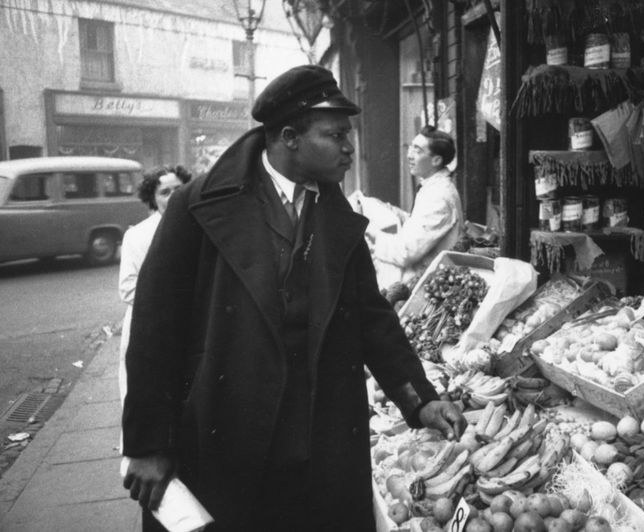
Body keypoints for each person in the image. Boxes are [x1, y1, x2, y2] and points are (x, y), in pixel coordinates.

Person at [121, 65, 466, 532]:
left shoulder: (333, 209)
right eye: (335, 134)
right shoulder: (198, 206)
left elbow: (371, 317)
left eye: (349, 133)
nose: (349, 147)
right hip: (230, 430)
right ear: (289, 137)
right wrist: (147, 444)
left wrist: (418, 398)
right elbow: (153, 329)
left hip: (315, 438)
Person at [117, 166, 191, 411]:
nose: (173, 196)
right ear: (152, 198)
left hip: (188, 327)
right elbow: (127, 289)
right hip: (149, 326)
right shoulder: (137, 236)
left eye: (179, 190)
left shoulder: (199, 227)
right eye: (165, 192)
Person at [366, 126, 464, 288]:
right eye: (410, 147)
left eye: (417, 150)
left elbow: (406, 253)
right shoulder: (432, 187)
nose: (409, 155)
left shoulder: (438, 196)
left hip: (427, 284)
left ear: (436, 160)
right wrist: (390, 210)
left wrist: (375, 235)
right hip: (419, 275)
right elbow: (420, 225)